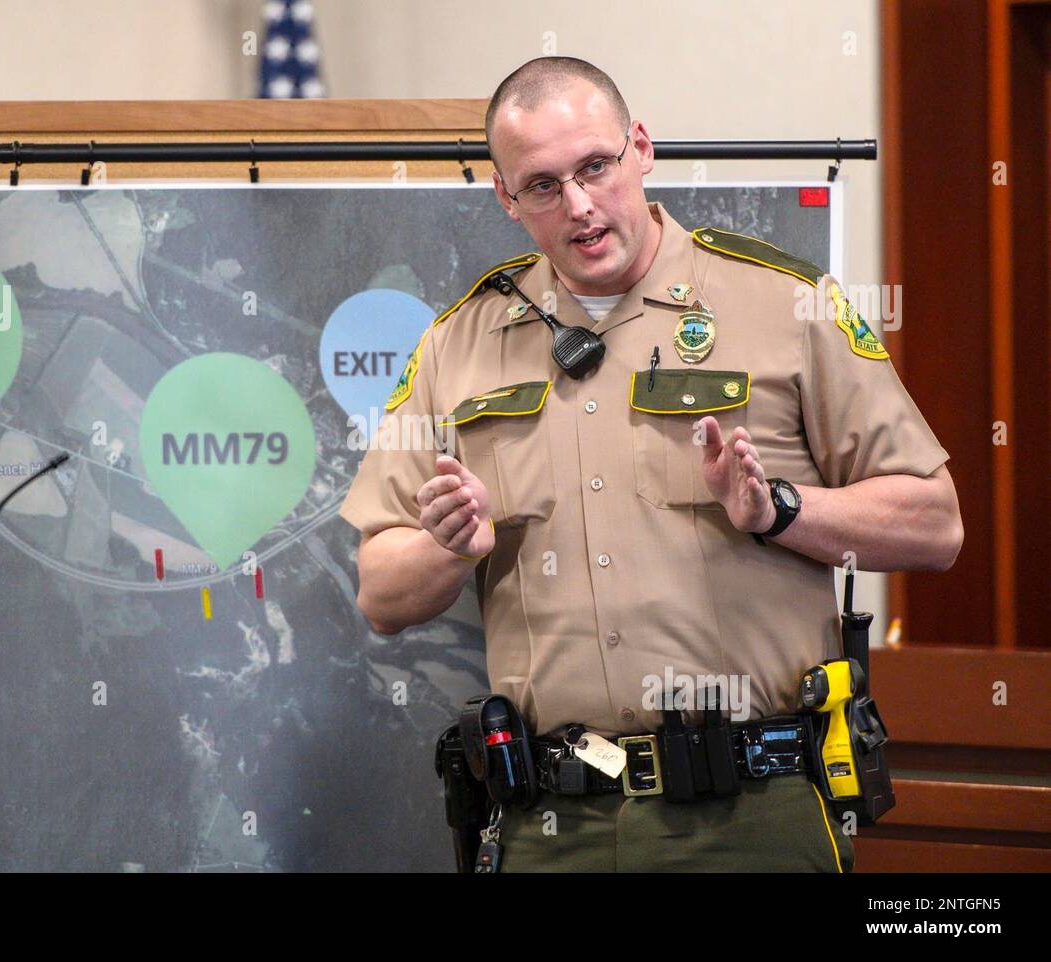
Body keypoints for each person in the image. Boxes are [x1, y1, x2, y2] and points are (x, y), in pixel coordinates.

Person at [338, 57, 963, 872]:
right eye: (543, 185)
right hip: (552, 826)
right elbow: (380, 596)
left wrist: (779, 510)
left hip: (749, 815)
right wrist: (446, 546)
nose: (581, 206)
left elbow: (936, 523)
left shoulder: (785, 302)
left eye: (596, 166)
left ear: (641, 148)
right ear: (505, 197)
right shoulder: (455, 344)